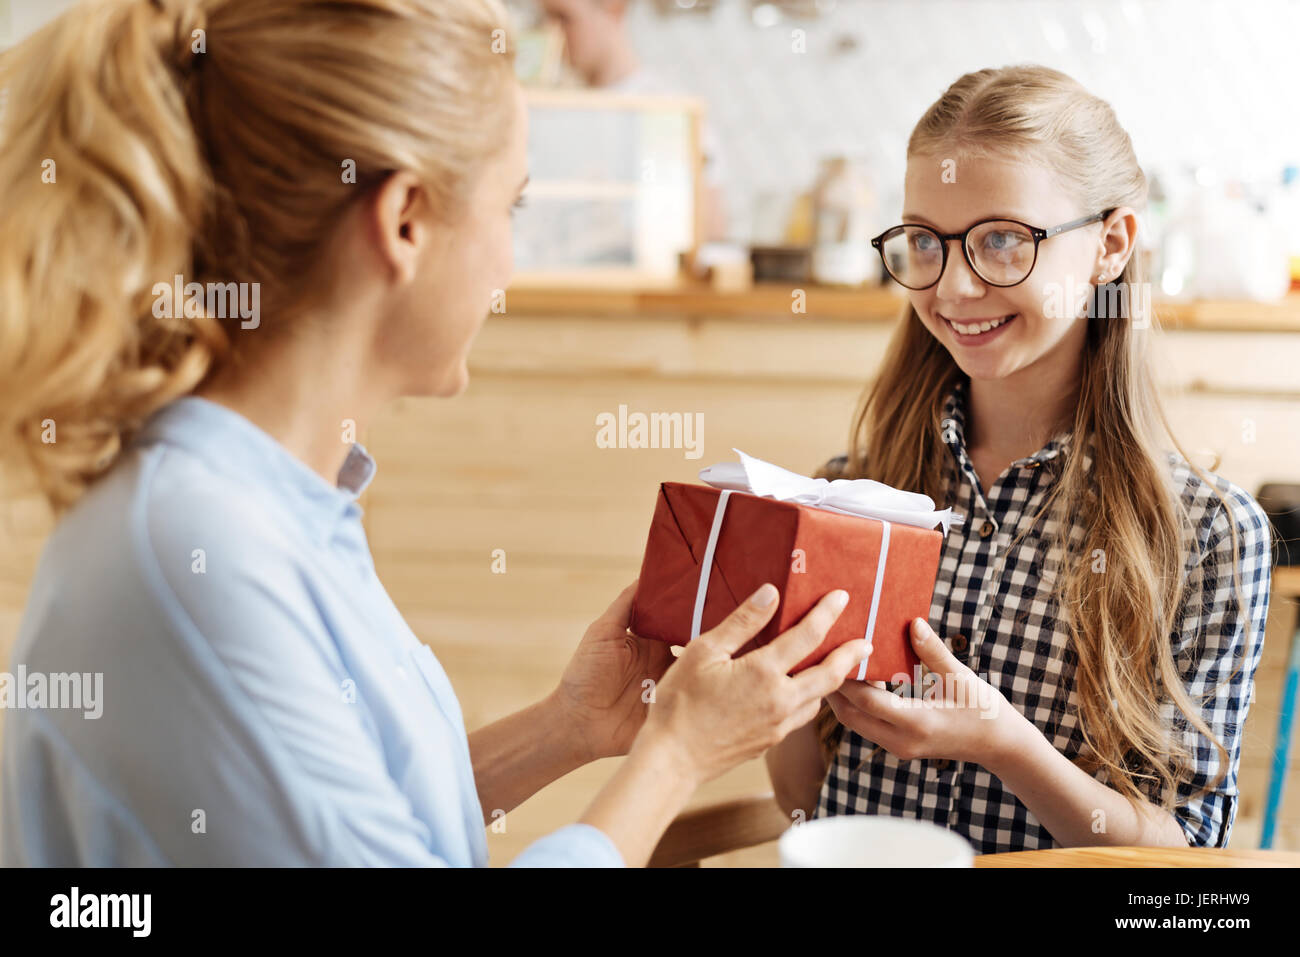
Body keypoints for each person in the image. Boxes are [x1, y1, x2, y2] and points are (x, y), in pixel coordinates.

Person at [0, 0, 869, 866]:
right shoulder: (206, 556)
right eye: (511, 209)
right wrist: (675, 754)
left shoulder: (276, 504)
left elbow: (366, 822)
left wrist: (566, 727)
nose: (509, 262)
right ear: (406, 220)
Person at [766, 65, 1272, 854]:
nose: (957, 285)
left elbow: (1184, 861)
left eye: (1003, 240)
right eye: (926, 242)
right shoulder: (853, 493)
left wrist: (1003, 742)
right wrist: (772, 686)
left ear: (1110, 245)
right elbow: (807, 798)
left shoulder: (1210, 534)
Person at [538, 0, 729, 241]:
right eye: (545, 19)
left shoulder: (669, 110)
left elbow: (709, 229)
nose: (550, 33)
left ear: (614, 8)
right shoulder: (555, 110)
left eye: (564, 18)